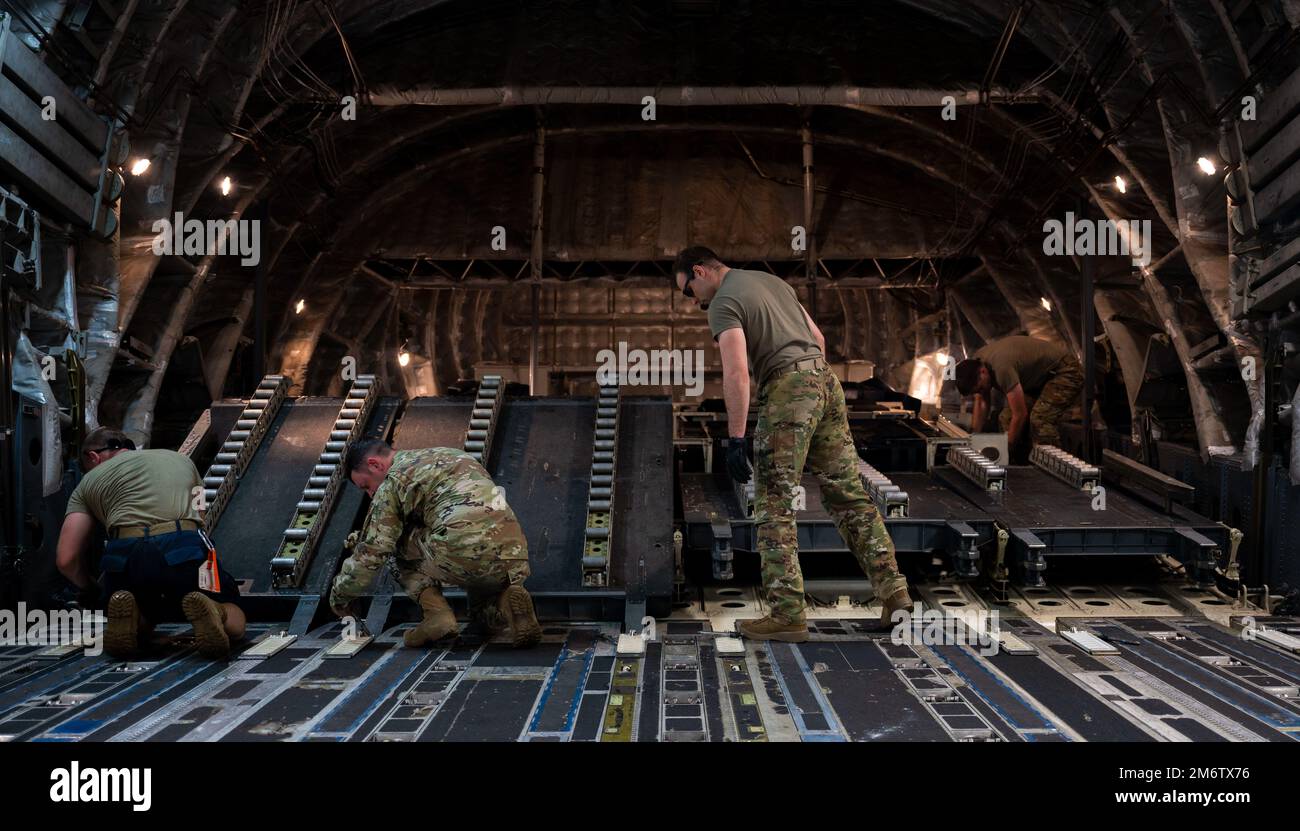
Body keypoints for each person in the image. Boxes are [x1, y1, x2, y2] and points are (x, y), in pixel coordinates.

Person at [673, 246, 913, 642]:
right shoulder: (773, 281)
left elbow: (736, 373)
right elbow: (817, 337)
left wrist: (736, 439)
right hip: (825, 381)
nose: (693, 301)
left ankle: (787, 614)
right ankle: (894, 592)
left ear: (700, 271)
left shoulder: (723, 302)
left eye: (688, 290)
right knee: (847, 494)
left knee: (774, 503)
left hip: (788, 390)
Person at [55, 426, 245, 659]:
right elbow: (200, 516)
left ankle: (134, 622)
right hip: (182, 545)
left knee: (136, 605)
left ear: (93, 457)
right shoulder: (181, 460)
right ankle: (216, 610)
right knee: (231, 609)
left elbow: (66, 559)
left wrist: (93, 590)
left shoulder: (88, 482)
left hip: (125, 554)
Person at [330, 440, 541, 648]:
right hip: (512, 553)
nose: (371, 494)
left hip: (462, 551)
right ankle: (506, 603)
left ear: (375, 464)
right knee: (482, 616)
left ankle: (437, 616)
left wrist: (340, 595)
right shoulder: (452, 454)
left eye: (366, 486)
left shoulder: (393, 480)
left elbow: (373, 550)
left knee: (392, 545)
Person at [953, 335, 1083, 459]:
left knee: (1040, 419)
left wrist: (1005, 450)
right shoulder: (977, 362)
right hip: (1039, 380)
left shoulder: (1001, 370)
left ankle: (1053, 465)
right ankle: (1022, 462)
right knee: (1006, 419)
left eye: (981, 388)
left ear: (982, 371)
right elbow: (982, 402)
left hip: (1065, 371)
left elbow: (1020, 414)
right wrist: (974, 437)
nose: (982, 391)